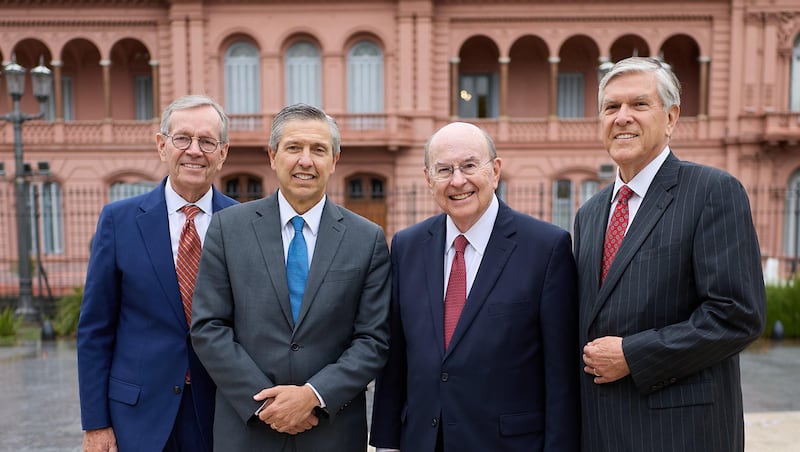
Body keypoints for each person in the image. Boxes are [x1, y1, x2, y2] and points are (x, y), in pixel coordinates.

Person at [573, 56, 766, 452]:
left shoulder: (712, 191)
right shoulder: (589, 214)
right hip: (600, 432)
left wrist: (633, 355)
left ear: (671, 117)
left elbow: (737, 315)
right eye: (611, 107)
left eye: (639, 105)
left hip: (681, 433)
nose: (622, 117)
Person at [190, 103, 391, 451]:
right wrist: (267, 405)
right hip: (247, 430)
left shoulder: (367, 238)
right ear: (272, 155)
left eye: (318, 149)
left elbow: (373, 340)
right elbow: (209, 327)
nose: (305, 160)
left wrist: (313, 395)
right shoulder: (228, 229)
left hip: (331, 431)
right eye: (294, 147)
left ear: (335, 159)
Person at [370, 121, 580, 452]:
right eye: (444, 170)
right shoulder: (407, 246)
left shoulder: (546, 248)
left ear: (495, 171)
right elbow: (395, 359)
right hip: (421, 442)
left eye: (469, 166)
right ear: (428, 179)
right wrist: (385, 443)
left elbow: (561, 375)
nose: (458, 181)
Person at [77, 94, 237, 452]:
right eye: (183, 138)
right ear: (162, 146)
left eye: (207, 141)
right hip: (136, 415)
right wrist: (96, 423)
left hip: (220, 413)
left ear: (223, 153)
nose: (194, 150)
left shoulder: (245, 223)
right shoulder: (118, 221)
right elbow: (94, 329)